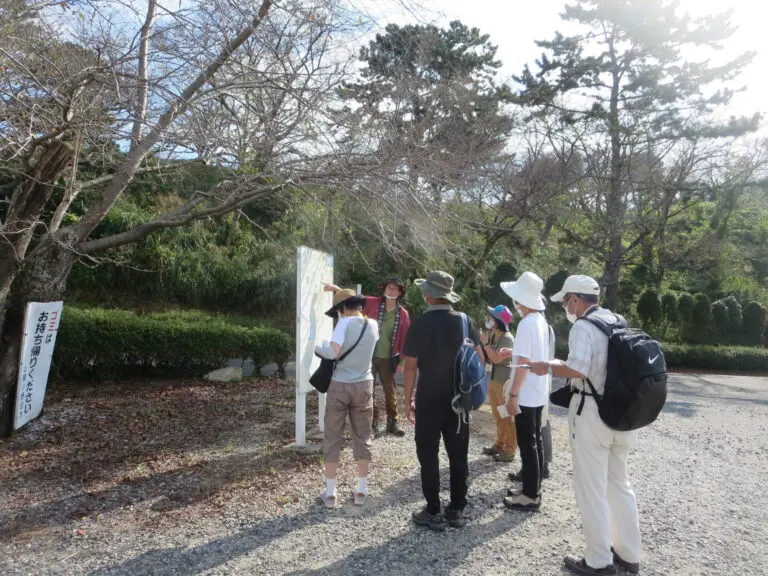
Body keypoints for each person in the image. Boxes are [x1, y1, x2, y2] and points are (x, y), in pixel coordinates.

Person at [528, 275, 642, 576]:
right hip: (623, 414)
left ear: (576, 299)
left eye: (566, 301)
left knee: (591, 488)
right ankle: (629, 554)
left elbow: (577, 369)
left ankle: (598, 561)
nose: (566, 307)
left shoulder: (583, 326)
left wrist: (547, 366)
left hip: (591, 412)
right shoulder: (618, 320)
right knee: (620, 484)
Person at [402, 270, 483, 531]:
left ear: (428, 295)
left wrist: (407, 401)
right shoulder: (464, 321)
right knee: (458, 454)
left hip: (428, 398)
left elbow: (411, 367)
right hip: (459, 399)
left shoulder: (419, 325)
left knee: (428, 453)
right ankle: (457, 508)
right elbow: (479, 359)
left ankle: (433, 510)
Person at [314, 289, 379, 509]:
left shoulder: (343, 324)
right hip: (364, 385)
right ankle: (361, 489)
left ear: (342, 309)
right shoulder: (373, 325)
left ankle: (331, 493)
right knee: (363, 436)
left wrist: (318, 345)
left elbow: (332, 353)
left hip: (340, 386)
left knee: (333, 436)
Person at [324, 278, 411, 437]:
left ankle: (393, 422)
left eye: (394, 289)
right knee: (368, 390)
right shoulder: (373, 302)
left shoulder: (403, 314)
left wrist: (403, 361)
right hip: (368, 354)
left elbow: (405, 337)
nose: (390, 291)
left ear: (399, 293)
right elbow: (352, 298)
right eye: (388, 288)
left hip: (388, 356)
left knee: (389, 390)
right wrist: (337, 288)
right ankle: (373, 422)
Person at [498, 271, 550, 512]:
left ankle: (529, 495)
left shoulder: (527, 323)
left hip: (526, 392)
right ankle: (533, 488)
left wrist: (514, 394)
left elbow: (524, 363)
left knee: (527, 442)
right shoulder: (540, 321)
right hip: (537, 391)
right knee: (535, 440)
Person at [479, 304, 517, 463]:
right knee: (498, 415)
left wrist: (486, 343)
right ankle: (499, 444)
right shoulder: (495, 335)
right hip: (494, 380)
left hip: (503, 382)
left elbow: (496, 358)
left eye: (492, 317)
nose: (489, 320)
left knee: (507, 416)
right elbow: (489, 357)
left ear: (498, 321)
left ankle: (509, 450)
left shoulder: (507, 338)